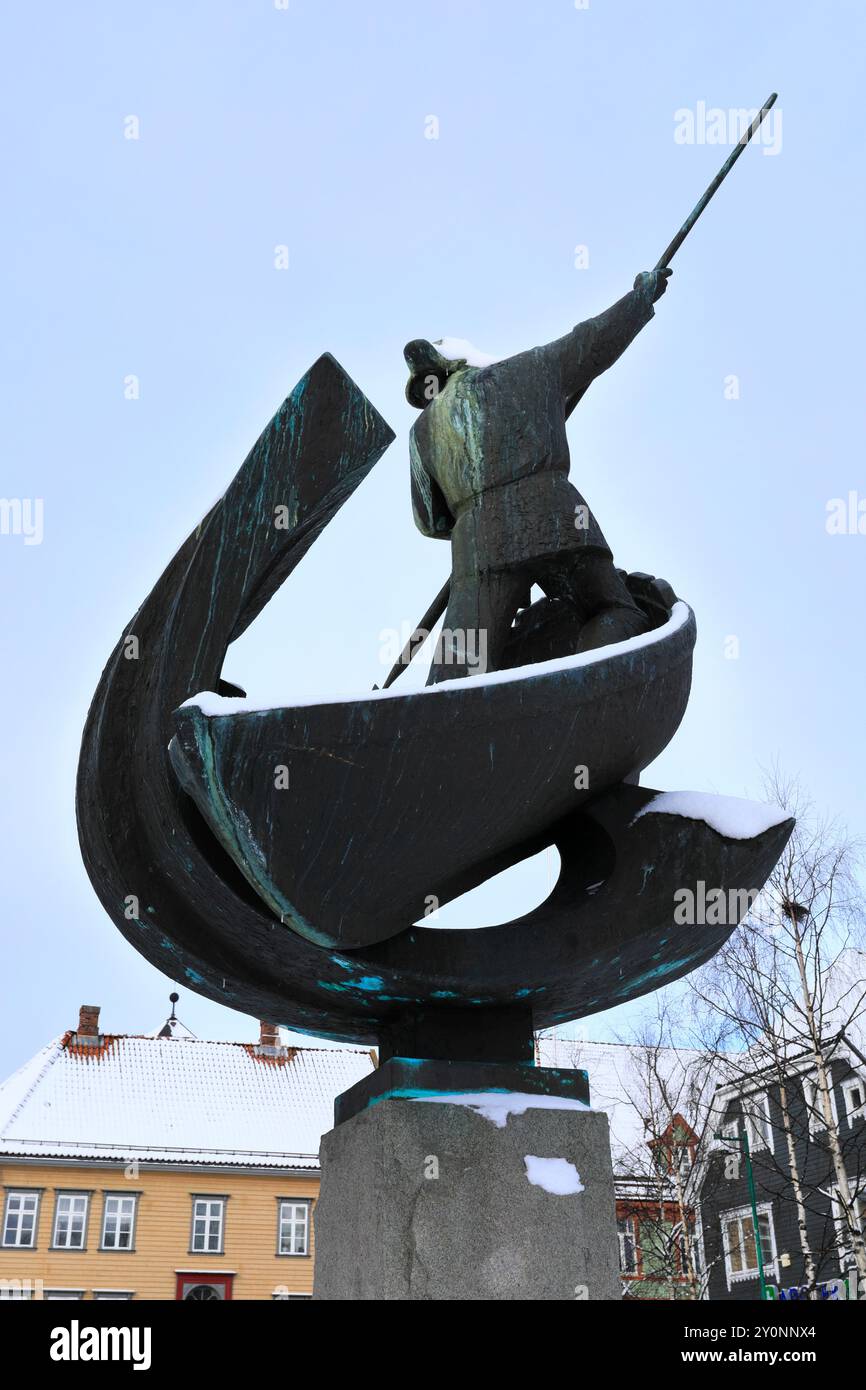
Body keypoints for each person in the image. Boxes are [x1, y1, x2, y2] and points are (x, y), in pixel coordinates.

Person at [405, 268, 671, 683]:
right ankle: (581, 686)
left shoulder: (422, 433)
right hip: (557, 518)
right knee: (612, 611)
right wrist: (641, 299)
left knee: (459, 667)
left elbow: (431, 521)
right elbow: (592, 342)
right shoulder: (532, 368)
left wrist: (477, 511)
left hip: (478, 544)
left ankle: (447, 725)